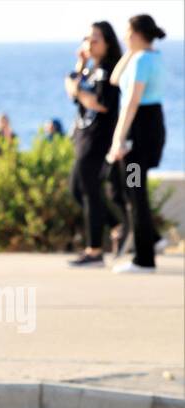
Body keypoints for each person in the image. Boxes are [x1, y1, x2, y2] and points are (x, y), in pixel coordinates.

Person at [107, 13, 169, 273]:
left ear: (137, 33)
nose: (123, 37)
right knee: (132, 191)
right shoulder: (147, 56)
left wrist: (118, 139)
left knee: (136, 193)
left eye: (127, 32)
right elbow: (114, 79)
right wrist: (130, 52)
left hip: (138, 132)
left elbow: (132, 101)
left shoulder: (143, 60)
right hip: (149, 126)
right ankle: (149, 245)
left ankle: (144, 259)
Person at [65, 21, 123, 267]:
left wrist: (77, 90)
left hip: (99, 139)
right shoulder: (90, 70)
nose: (89, 43)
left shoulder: (108, 70)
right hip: (83, 137)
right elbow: (72, 92)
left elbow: (100, 103)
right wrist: (80, 67)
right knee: (78, 189)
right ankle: (118, 224)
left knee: (89, 191)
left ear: (108, 42)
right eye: (86, 39)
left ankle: (95, 251)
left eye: (95, 39)